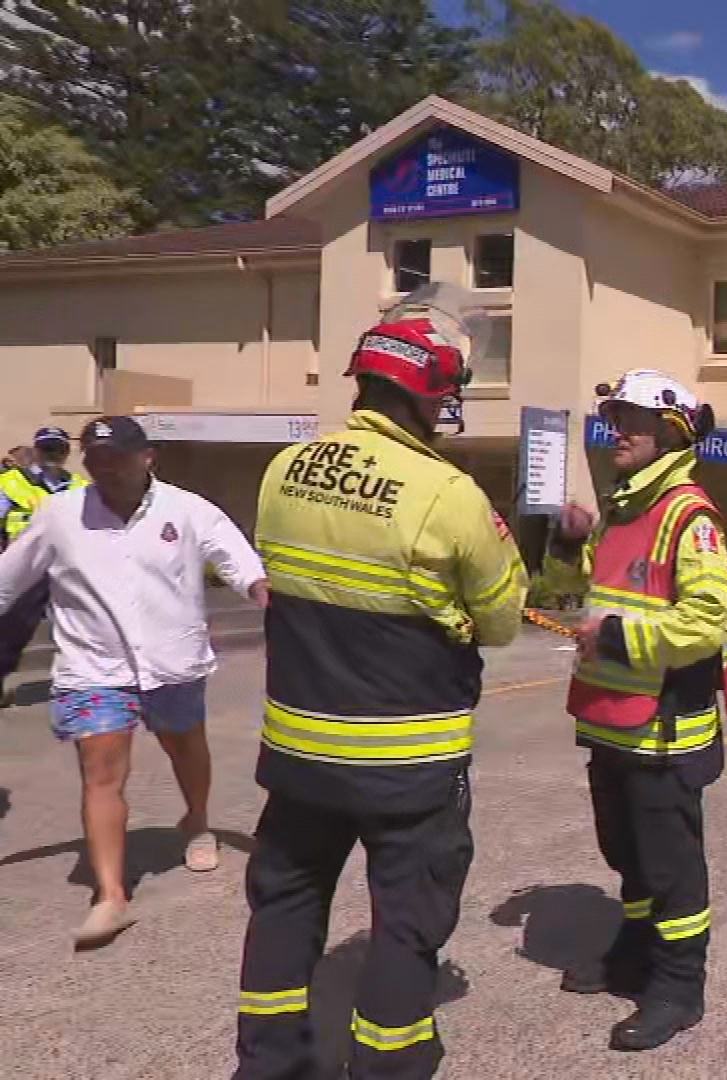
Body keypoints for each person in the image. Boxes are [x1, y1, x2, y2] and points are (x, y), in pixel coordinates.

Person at [234, 285, 528, 1080]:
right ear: (433, 393)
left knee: (286, 906)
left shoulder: (285, 469)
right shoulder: (447, 494)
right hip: (408, 762)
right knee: (406, 920)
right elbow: (501, 618)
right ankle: (389, 1064)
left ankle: (268, 1063)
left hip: (297, 750)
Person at [0, 416, 267, 946]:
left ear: (148, 456)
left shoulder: (187, 509)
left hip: (173, 662)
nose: (106, 468)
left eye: (117, 458)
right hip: (94, 668)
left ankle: (196, 820)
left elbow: (236, 559)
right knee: (101, 772)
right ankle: (110, 896)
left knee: (186, 748)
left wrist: (261, 591)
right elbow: (9, 580)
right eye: (96, 460)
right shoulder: (59, 515)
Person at [550, 368, 727, 1054]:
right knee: (626, 855)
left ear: (670, 432)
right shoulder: (625, 509)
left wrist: (622, 637)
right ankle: (633, 953)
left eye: (631, 419)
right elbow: (578, 598)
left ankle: (679, 988)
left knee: (671, 871)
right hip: (612, 724)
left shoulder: (688, 515)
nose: (616, 430)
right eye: (613, 418)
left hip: (664, 732)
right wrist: (570, 544)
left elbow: (709, 624)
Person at [0, 428, 88, 703]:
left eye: (58, 449)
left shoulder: (81, 486)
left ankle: (85, 683)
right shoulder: (10, 482)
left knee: (81, 627)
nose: (52, 455)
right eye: (46, 449)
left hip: (67, 568)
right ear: (36, 451)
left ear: (66, 453)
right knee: (11, 631)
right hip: (26, 569)